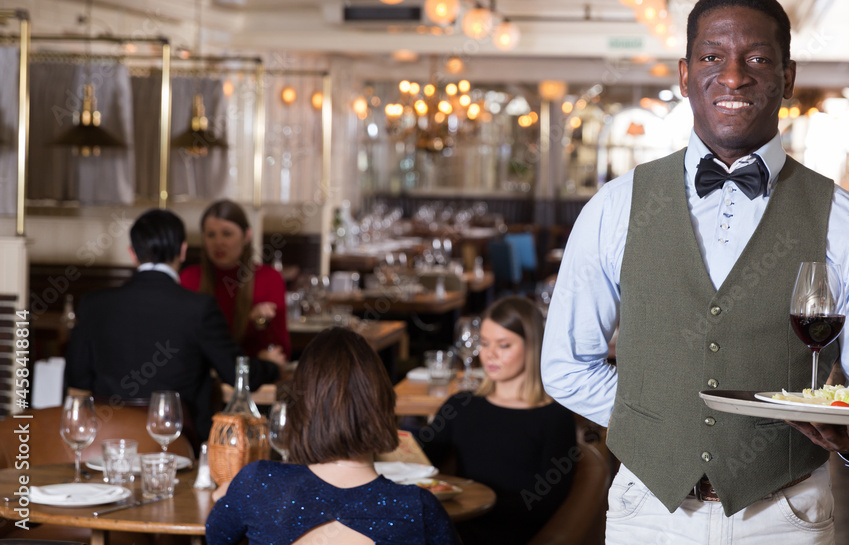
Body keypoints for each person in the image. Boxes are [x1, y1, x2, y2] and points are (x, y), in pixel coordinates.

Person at [541, 0, 849, 544]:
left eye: (758, 58)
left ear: (787, 77)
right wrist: (655, 424)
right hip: (648, 510)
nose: (734, 75)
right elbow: (566, 364)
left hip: (786, 514)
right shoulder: (615, 208)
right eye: (712, 56)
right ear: (685, 74)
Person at [206, 327, 461, 545]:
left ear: (300, 409)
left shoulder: (256, 483)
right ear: (384, 404)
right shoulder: (418, 509)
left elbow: (216, 536)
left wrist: (231, 495)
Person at [64, 209, 282, 442]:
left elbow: (77, 379)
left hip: (106, 441)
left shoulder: (94, 304)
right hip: (180, 443)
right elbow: (234, 373)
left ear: (133, 254)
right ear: (183, 250)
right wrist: (271, 366)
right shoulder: (199, 308)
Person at [420, 296, 578, 545]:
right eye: (484, 343)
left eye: (504, 345)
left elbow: (544, 502)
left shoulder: (555, 417)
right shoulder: (461, 404)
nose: (490, 354)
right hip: (454, 528)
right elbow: (423, 459)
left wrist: (475, 505)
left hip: (509, 535)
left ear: (532, 346)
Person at [180, 199, 290, 361]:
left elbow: (281, 352)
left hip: (252, 379)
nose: (218, 242)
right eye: (211, 235)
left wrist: (260, 324)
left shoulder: (269, 278)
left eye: (227, 234)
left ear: (247, 236)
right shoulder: (189, 278)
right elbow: (182, 343)